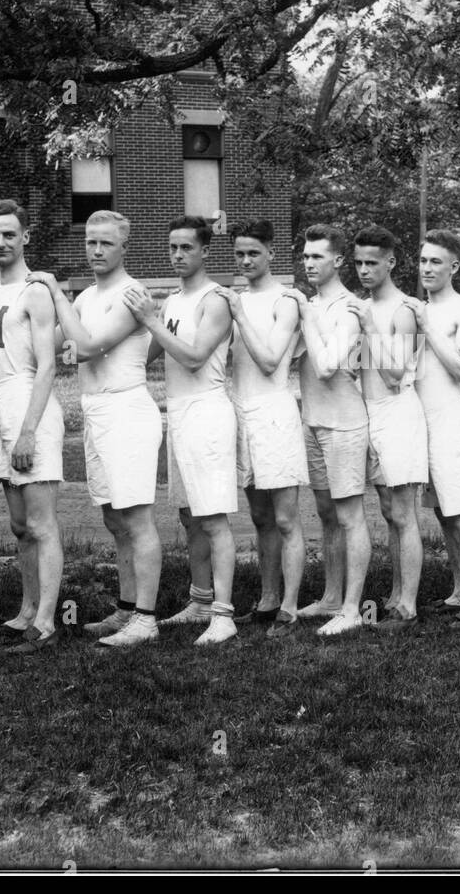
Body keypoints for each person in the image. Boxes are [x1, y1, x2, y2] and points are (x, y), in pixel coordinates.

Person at [27, 211, 163, 648]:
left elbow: (85, 347)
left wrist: (54, 291)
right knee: (113, 517)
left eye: (106, 243)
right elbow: (53, 345)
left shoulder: (132, 293)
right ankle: (125, 609)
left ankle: (146, 619)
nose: (97, 251)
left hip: (127, 410)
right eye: (90, 242)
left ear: (125, 246)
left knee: (137, 518)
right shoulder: (86, 296)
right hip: (96, 411)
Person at [123, 216, 238, 646]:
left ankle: (224, 615)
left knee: (213, 518)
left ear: (205, 251)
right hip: (179, 414)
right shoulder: (171, 301)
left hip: (209, 412)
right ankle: (201, 600)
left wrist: (150, 320)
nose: (177, 255)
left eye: (186, 248)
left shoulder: (216, 301)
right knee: (190, 517)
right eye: (172, 247)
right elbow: (145, 356)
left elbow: (192, 357)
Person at [0, 200, 65, 653]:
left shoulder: (35, 291)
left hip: (31, 407)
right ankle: (26, 611)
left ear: (25, 236)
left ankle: (47, 623)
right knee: (19, 525)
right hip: (1, 409)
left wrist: (28, 431)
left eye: (9, 234)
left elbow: (48, 367)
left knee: (41, 523)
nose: (0, 243)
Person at [219, 220, 308, 640]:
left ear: (272, 253)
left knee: (286, 517)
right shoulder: (236, 299)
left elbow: (271, 360)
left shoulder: (287, 299)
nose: (245, 261)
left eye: (253, 252)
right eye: (238, 253)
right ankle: (268, 600)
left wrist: (238, 314)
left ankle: (289, 608)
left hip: (274, 412)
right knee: (259, 516)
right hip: (242, 411)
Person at [405, 231, 460, 624]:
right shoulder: (416, 308)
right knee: (443, 514)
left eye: (436, 261)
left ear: (454, 266)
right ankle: (457, 591)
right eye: (423, 260)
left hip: (452, 422)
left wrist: (426, 325)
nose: (427, 268)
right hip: (422, 425)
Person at [294, 224, 371, 636]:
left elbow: (326, 367)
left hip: (345, 424)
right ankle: (330, 597)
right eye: (305, 257)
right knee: (326, 514)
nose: (309, 264)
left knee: (349, 515)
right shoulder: (309, 304)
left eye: (317, 257)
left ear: (338, 260)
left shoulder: (350, 307)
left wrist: (305, 316)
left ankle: (353, 608)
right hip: (313, 422)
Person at [349, 226, 428, 633]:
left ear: (391, 262)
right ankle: (397, 594)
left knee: (403, 512)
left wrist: (367, 326)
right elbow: (361, 366)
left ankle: (408, 606)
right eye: (358, 262)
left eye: (372, 263)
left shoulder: (403, 310)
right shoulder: (366, 308)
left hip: (398, 412)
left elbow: (396, 373)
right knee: (388, 511)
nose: (363, 270)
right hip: (371, 412)